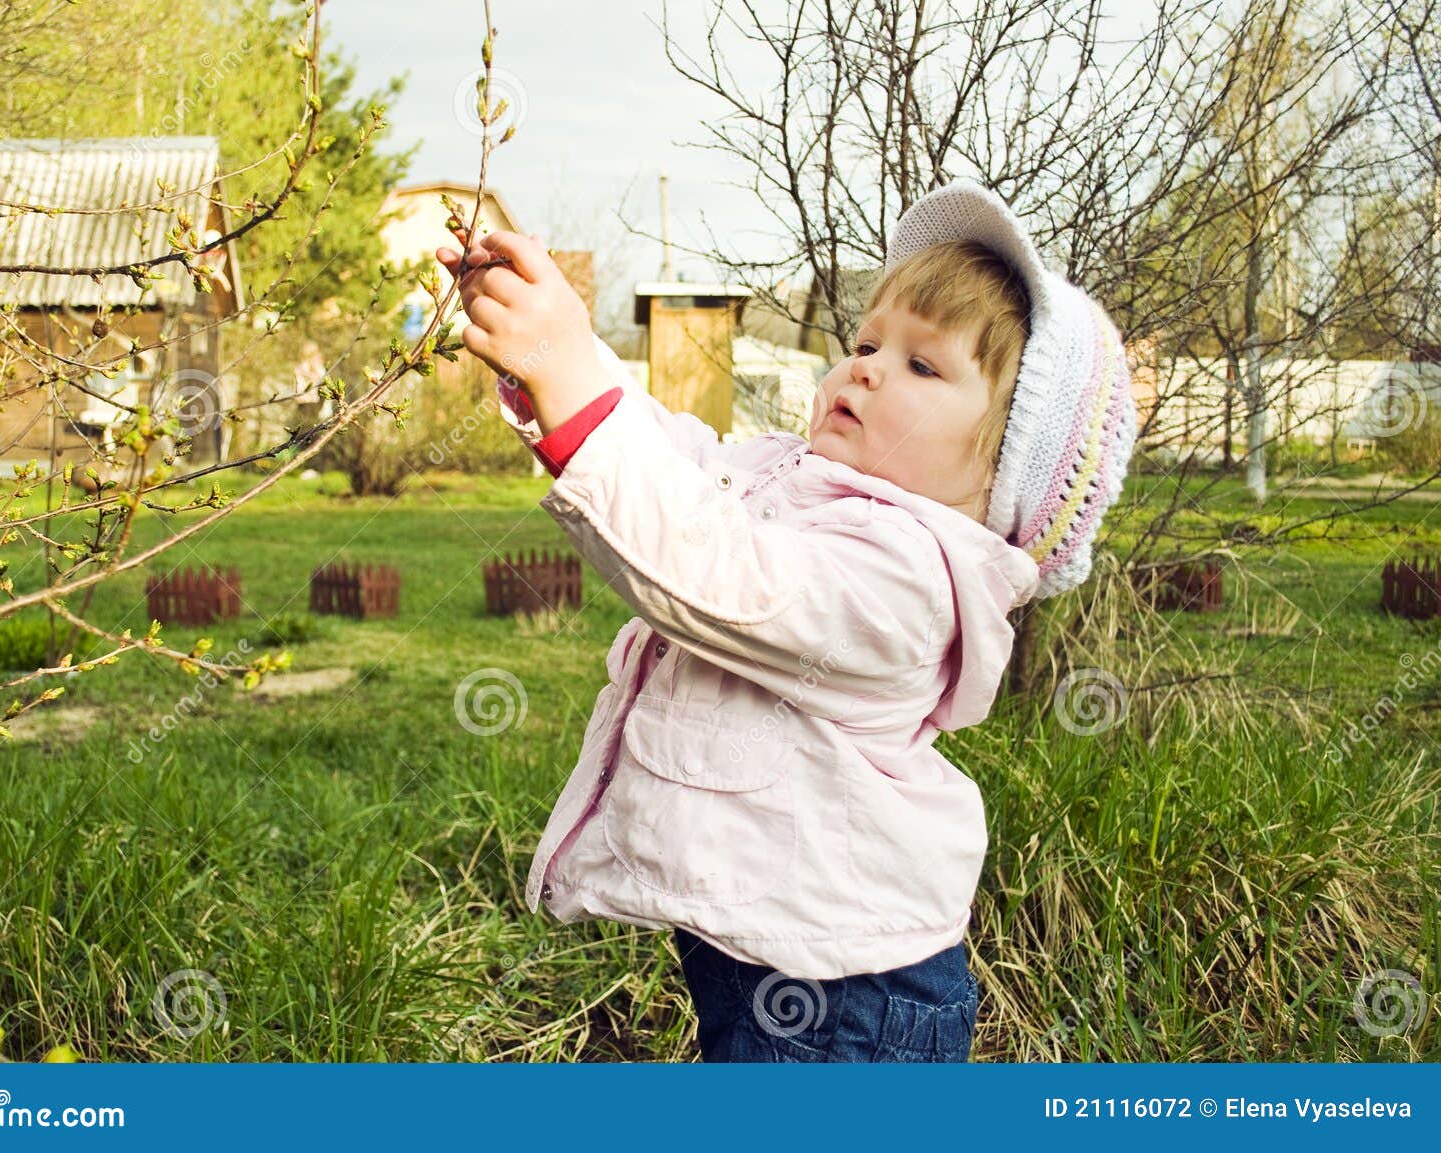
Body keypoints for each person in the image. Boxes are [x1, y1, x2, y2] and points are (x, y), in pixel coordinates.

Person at [436, 177, 1138, 1062]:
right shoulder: (790, 481)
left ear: (1000, 480)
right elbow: (672, 461)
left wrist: (566, 371)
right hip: (775, 963)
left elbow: (710, 568)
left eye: (923, 366)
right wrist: (550, 355)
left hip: (850, 1002)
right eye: (867, 341)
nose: (868, 367)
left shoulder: (907, 579)